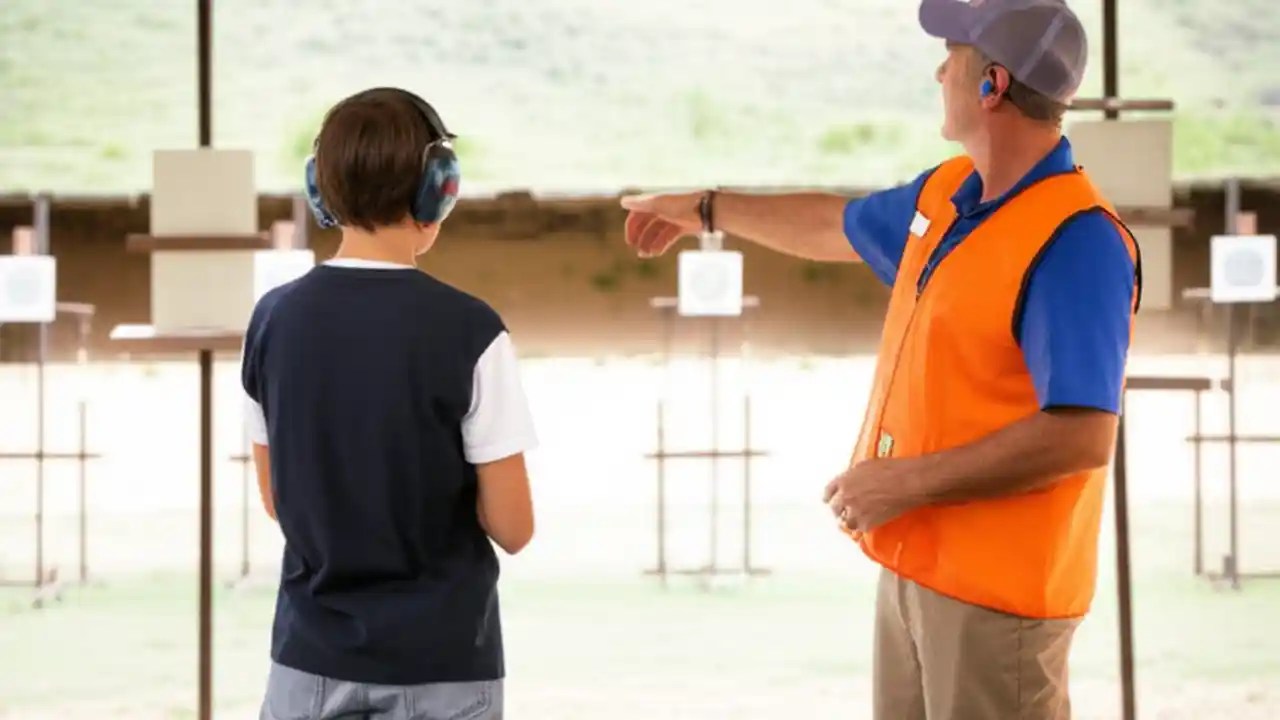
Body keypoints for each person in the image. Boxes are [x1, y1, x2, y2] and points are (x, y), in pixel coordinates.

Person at [620, 1, 1140, 717]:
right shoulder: (946, 197)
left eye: (952, 54)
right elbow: (833, 224)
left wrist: (905, 484)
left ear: (990, 84)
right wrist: (707, 209)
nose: (938, 70)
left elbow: (1081, 434)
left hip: (999, 601)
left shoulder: (1078, 239)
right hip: (916, 572)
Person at [241, 87, 537, 720]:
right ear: (439, 188)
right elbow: (514, 529)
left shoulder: (271, 321)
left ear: (320, 188)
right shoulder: (472, 330)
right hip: (446, 663)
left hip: (308, 658)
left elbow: (276, 498)